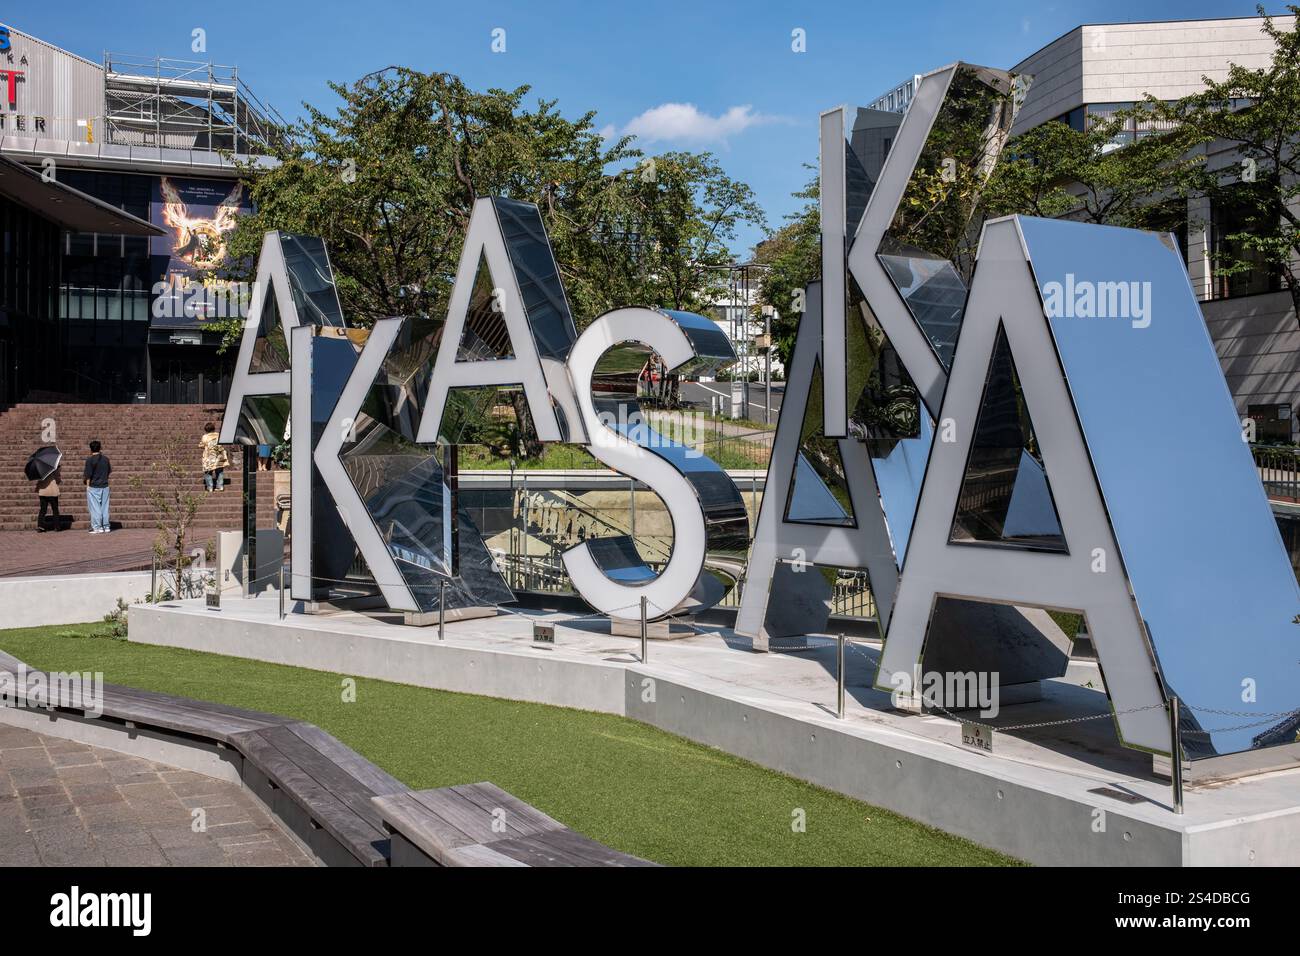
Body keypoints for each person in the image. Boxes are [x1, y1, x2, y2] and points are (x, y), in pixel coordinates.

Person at [84, 440, 112, 534]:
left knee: (95, 508)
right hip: (105, 485)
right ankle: (106, 526)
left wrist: (87, 486)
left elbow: (88, 475)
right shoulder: (106, 459)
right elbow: (108, 472)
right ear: (100, 448)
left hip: (94, 486)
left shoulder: (90, 460)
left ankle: (97, 527)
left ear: (91, 449)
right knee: (105, 507)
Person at [200, 422, 229, 492]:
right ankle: (220, 486)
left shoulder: (205, 437)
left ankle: (210, 487)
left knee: (208, 472)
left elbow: (202, 445)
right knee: (219, 471)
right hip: (219, 456)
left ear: (206, 430)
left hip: (209, 457)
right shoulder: (219, 435)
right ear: (214, 429)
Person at [36, 462, 61, 532]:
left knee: (43, 510)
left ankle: (40, 526)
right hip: (52, 491)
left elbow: (38, 480)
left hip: (43, 491)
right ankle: (56, 526)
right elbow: (58, 480)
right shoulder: (54, 468)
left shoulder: (40, 469)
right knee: (55, 509)